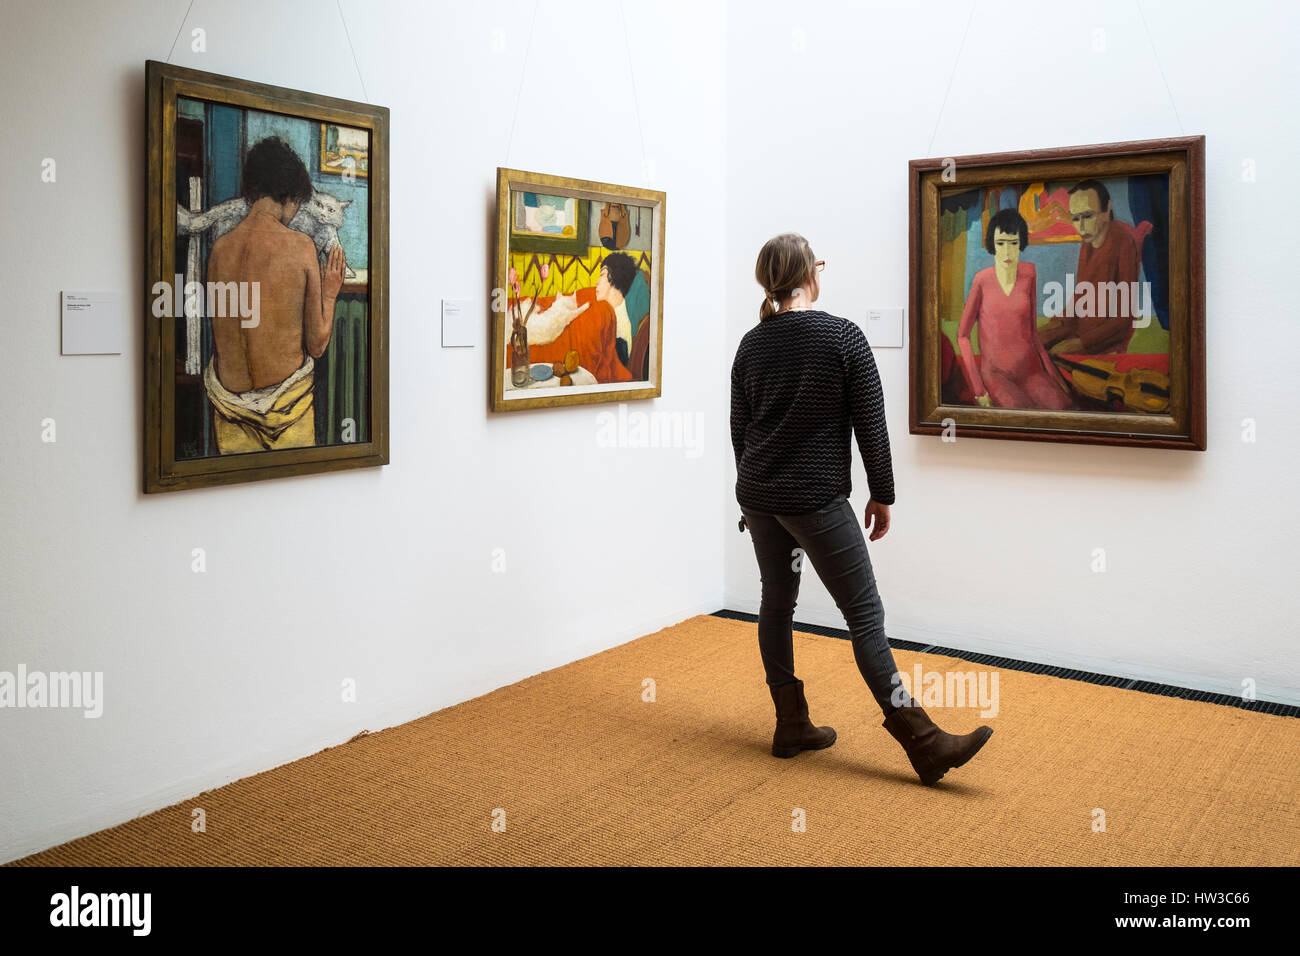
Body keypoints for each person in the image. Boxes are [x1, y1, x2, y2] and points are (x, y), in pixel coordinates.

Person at [731, 232, 993, 786]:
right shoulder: (842, 336)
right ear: (810, 273)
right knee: (865, 617)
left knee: (776, 605)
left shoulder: (751, 345)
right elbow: (870, 424)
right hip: (814, 499)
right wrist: (883, 492)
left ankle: (791, 725)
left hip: (761, 496)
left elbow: (742, 429)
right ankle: (923, 742)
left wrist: (749, 495)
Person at [205, 136, 346, 453]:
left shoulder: (219, 251)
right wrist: (331, 292)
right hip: (287, 409)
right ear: (292, 196)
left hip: (230, 410)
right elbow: (317, 345)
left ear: (252, 190)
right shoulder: (300, 247)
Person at [956, 208, 1073, 410]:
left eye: (1013, 243)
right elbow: (963, 336)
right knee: (1020, 413)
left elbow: (1032, 332)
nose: (1007, 251)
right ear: (992, 244)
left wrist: (1053, 375)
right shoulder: (982, 280)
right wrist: (978, 390)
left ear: (1021, 244)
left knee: (1063, 408)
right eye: (1001, 243)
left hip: (1031, 372)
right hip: (996, 375)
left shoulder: (1029, 274)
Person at [1036, 179, 1145, 356]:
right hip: (1079, 327)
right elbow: (1081, 294)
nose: (1081, 226)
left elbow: (1124, 318)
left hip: (1101, 336)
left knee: (1051, 357)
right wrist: (1056, 323)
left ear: (1107, 209)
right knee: (1030, 343)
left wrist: (1082, 342)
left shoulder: (1123, 240)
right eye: (1075, 218)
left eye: (1087, 216)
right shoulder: (1088, 242)